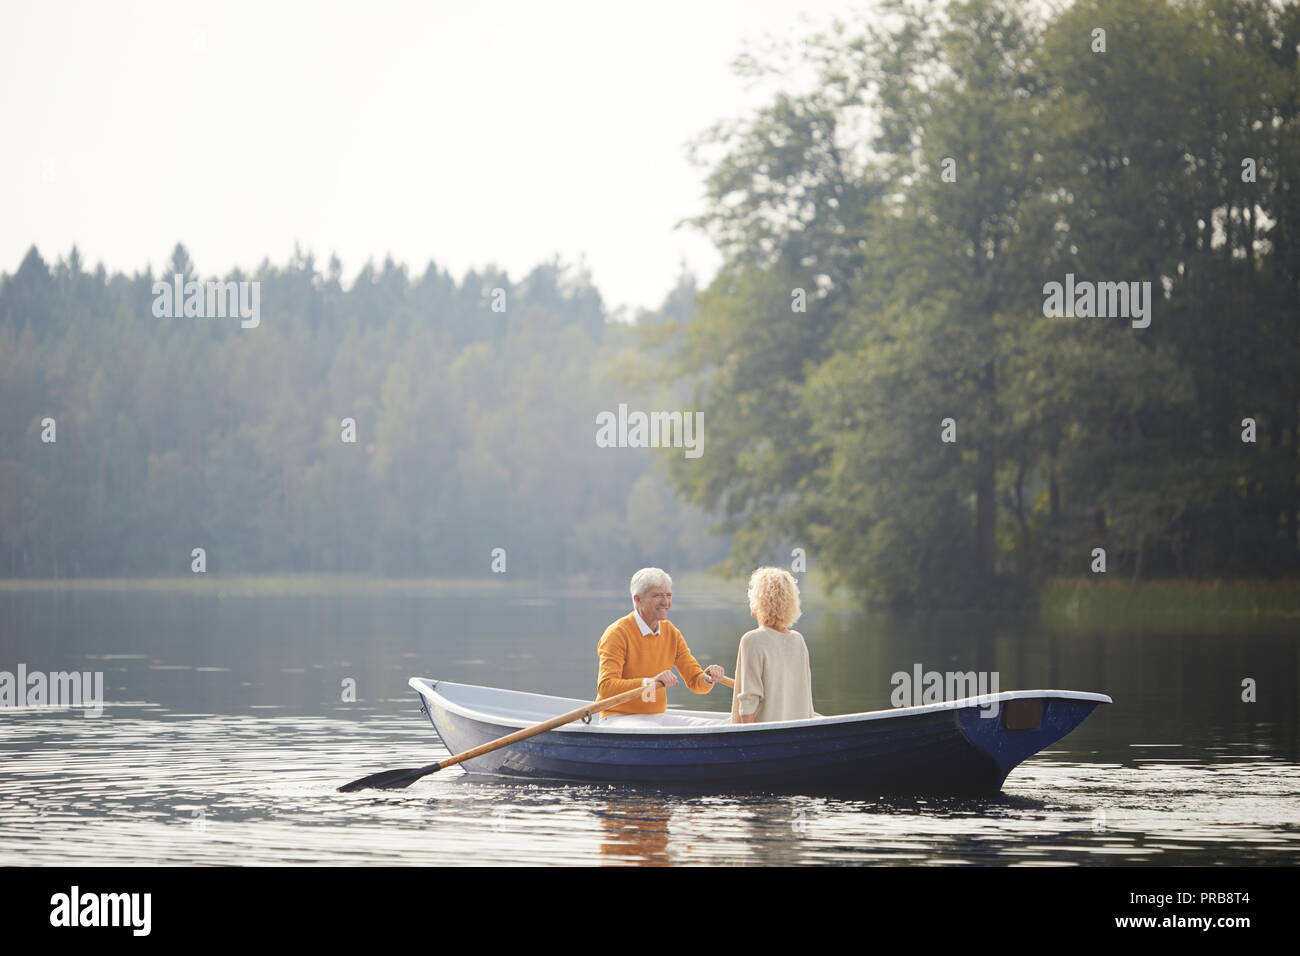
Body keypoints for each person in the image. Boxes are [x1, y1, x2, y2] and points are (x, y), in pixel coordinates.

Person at [596, 567, 726, 726]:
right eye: (657, 595)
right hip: (617, 717)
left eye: (668, 595)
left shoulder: (671, 633)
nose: (665, 602)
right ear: (637, 599)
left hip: (655, 717)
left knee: (717, 726)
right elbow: (606, 688)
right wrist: (649, 682)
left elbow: (695, 682)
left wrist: (707, 679)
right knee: (651, 729)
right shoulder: (617, 633)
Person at [731, 567, 819, 723]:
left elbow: (748, 702)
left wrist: (751, 743)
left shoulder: (752, 640)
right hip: (798, 734)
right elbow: (807, 702)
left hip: (761, 737)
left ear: (758, 601)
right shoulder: (798, 640)